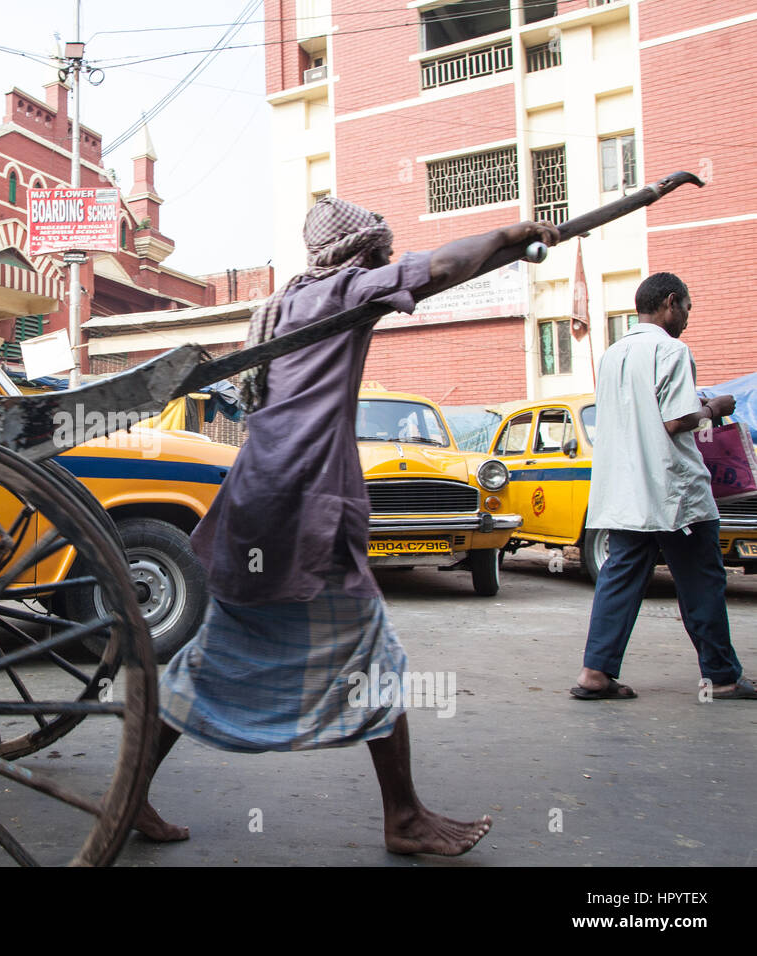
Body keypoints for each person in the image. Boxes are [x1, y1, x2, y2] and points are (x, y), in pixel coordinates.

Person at [132, 198, 560, 854]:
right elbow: (438, 270)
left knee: (217, 657)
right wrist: (511, 230)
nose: (389, 258)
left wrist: (511, 247)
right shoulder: (345, 292)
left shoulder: (288, 300)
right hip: (302, 506)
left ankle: (129, 795)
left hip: (261, 501)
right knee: (374, 659)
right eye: (380, 248)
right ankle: (405, 817)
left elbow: (438, 273)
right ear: (358, 252)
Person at [571, 272, 757, 701]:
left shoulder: (613, 353)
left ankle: (594, 674)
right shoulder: (671, 349)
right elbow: (675, 420)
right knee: (701, 583)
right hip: (673, 494)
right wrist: (714, 407)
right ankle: (723, 678)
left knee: (618, 582)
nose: (687, 320)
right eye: (687, 310)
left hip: (624, 493)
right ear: (671, 302)